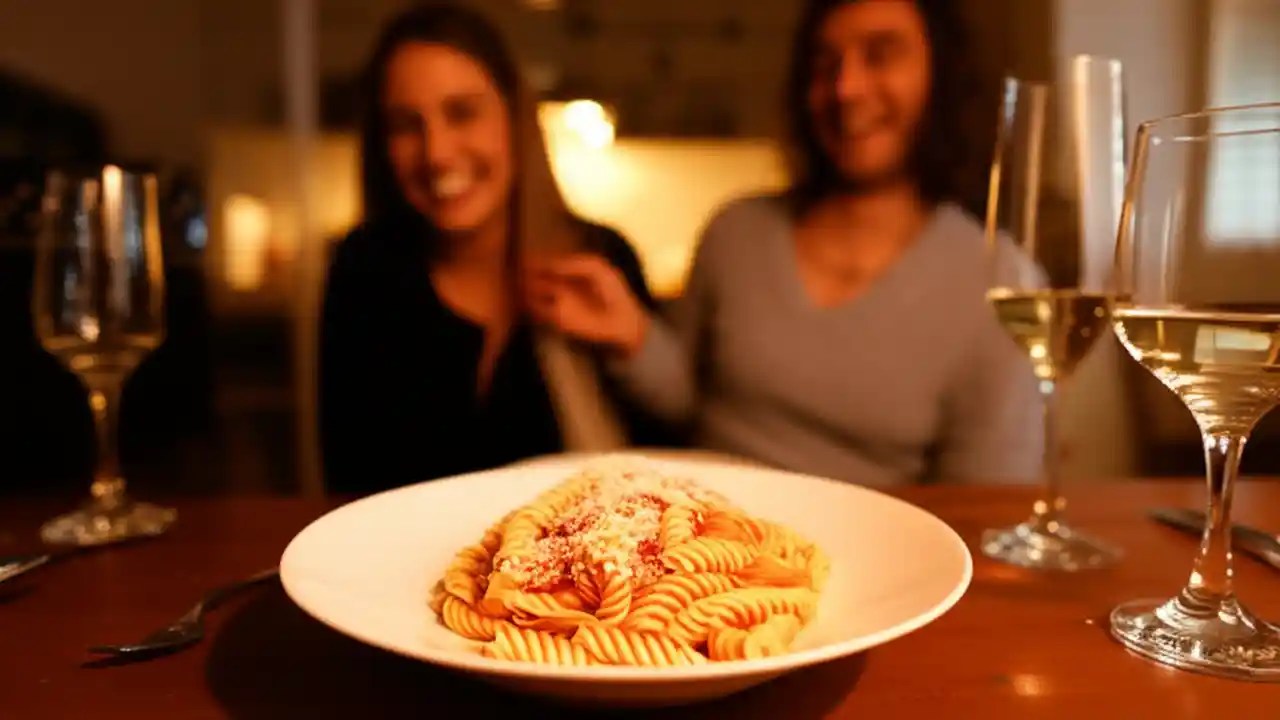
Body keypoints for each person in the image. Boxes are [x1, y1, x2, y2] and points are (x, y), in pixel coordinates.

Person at [527, 0, 1042, 485]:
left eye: (879, 56)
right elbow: (689, 404)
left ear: (943, 80)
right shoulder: (737, 231)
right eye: (825, 64)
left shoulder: (1000, 284)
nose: (846, 88)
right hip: (700, 542)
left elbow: (985, 506)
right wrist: (631, 337)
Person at [320, 3, 657, 494]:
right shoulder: (366, 272)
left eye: (462, 113)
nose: (436, 152)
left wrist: (635, 344)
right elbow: (350, 485)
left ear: (514, 118)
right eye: (405, 124)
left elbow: (669, 471)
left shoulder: (601, 258)